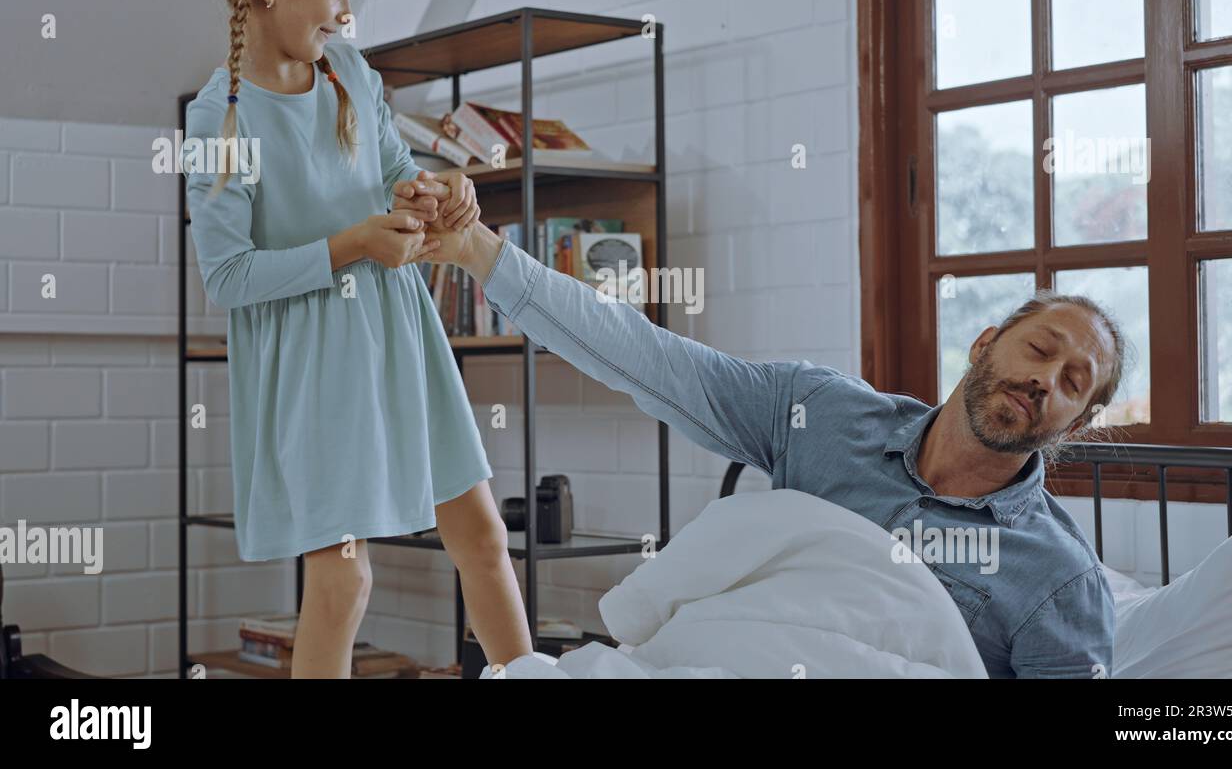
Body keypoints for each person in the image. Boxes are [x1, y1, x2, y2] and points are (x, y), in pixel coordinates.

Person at [406, 203, 1128, 679]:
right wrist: (478, 252)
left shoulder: (1058, 581)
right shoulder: (822, 415)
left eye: (1073, 382)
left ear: (1078, 424)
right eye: (1039, 349)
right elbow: (645, 355)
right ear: (985, 344)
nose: (1045, 381)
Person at [184, 0, 529, 677]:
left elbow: (393, 178)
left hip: (401, 338)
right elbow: (228, 275)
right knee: (344, 578)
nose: (347, 10)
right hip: (315, 367)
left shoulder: (352, 72)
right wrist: (351, 245)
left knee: (481, 536)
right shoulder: (221, 121)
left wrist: (435, 193)